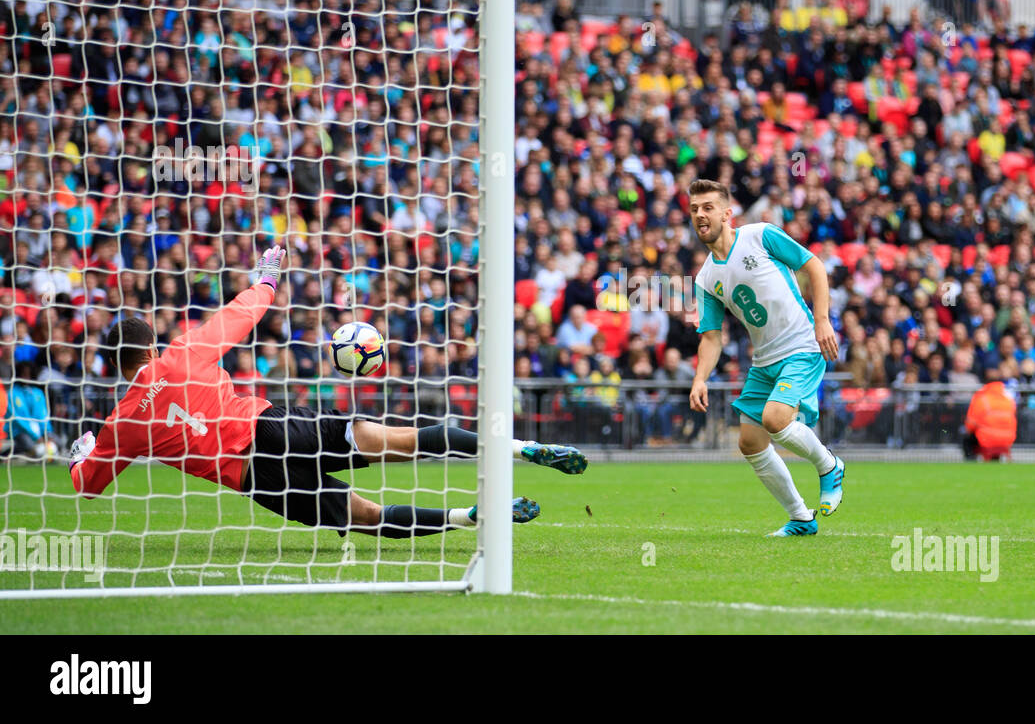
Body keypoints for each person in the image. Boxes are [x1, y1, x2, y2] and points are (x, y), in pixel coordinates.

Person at [68, 245, 588, 538]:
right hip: (273, 425)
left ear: (113, 365)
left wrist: (82, 452)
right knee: (399, 439)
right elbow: (239, 317)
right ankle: (519, 449)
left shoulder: (123, 424)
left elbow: (87, 486)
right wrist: (268, 278)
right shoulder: (182, 353)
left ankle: (471, 518)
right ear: (152, 345)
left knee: (365, 516)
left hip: (252, 476)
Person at [686, 179, 845, 537]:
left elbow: (814, 266)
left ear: (728, 214)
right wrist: (700, 378)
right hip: (765, 361)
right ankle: (801, 518)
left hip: (803, 345)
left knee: (775, 418)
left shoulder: (760, 235)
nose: (700, 215)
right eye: (694, 209)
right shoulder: (706, 278)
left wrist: (822, 321)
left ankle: (829, 465)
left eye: (708, 207)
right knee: (750, 442)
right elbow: (712, 336)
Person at [963, 370, 1017, 462]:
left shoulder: (981, 397)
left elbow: (970, 424)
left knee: (966, 438)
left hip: (986, 439)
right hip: (1007, 438)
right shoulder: (1008, 398)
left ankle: (971, 462)